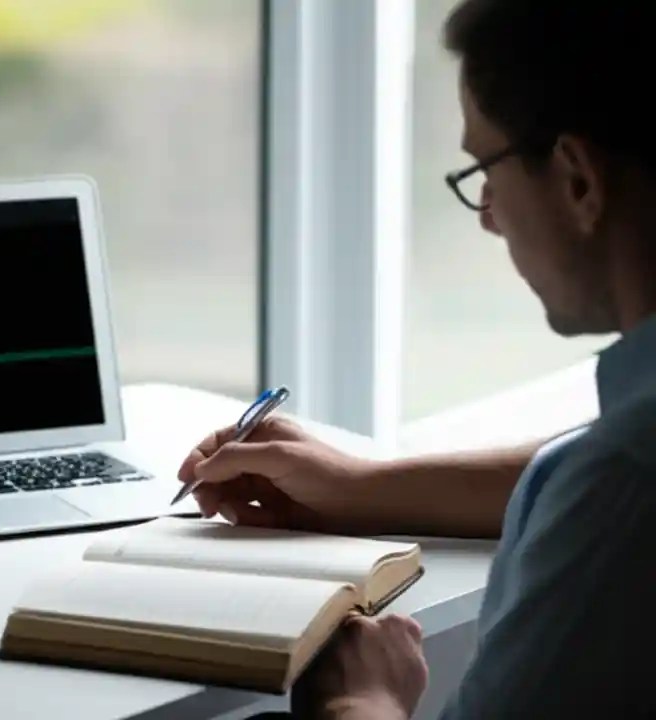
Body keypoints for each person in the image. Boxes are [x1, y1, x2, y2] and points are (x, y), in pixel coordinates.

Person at [176, 0, 656, 717]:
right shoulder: (619, 462)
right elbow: (586, 458)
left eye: (484, 169)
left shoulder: (619, 494)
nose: (489, 213)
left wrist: (360, 699)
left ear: (578, 179)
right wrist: (360, 486)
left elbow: (612, 476)